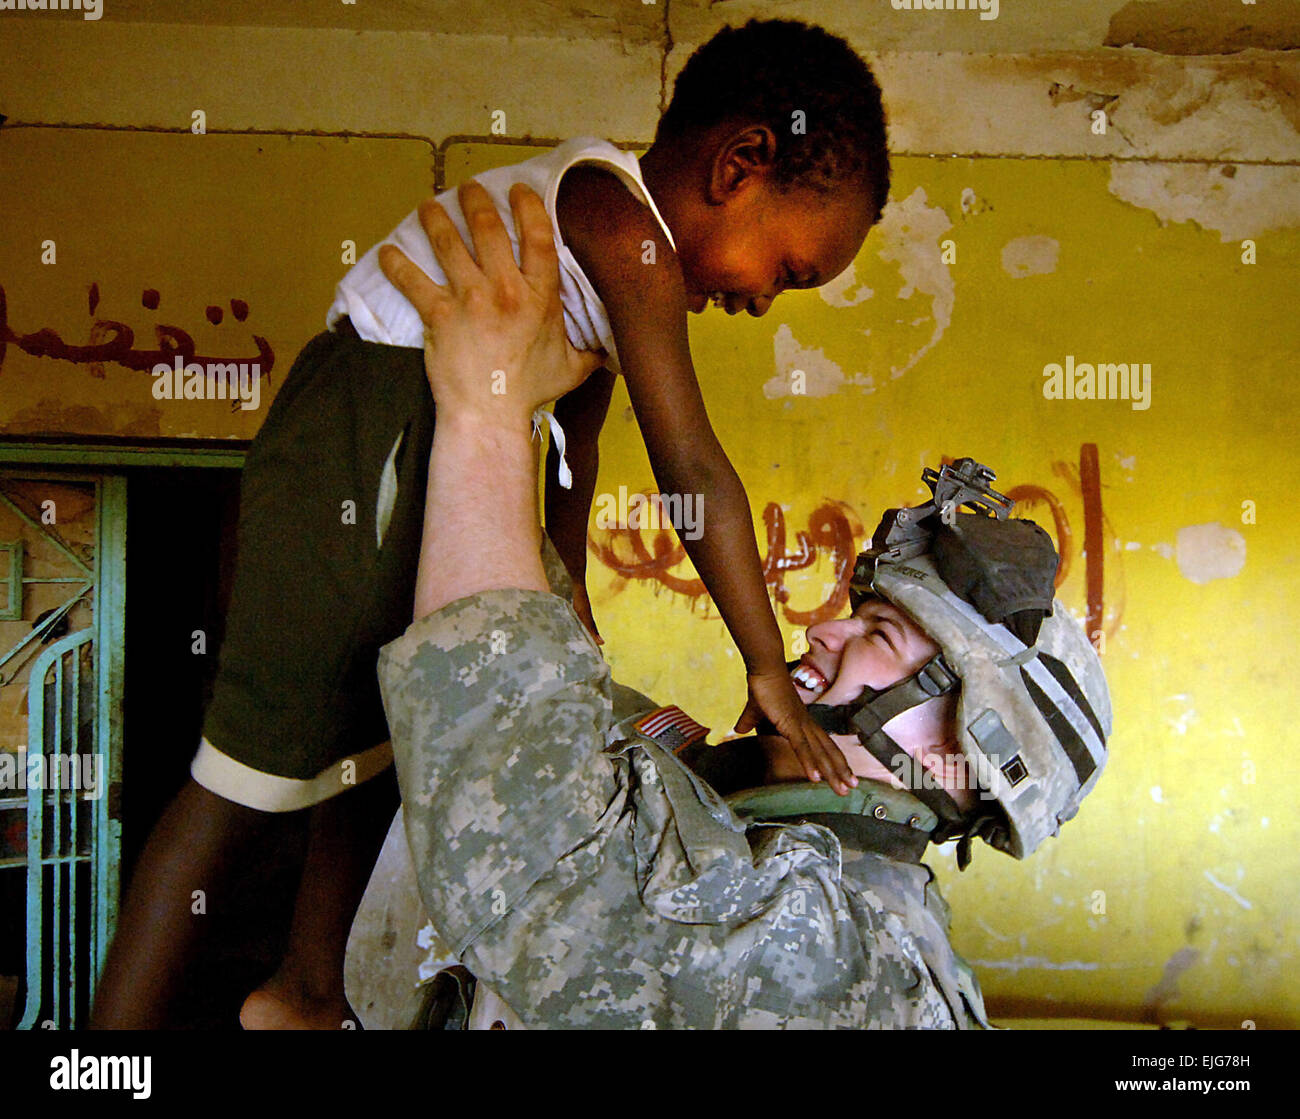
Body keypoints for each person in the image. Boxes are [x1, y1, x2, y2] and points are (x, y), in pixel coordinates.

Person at [91, 17, 887, 1030]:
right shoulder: (624, 232)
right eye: (790, 270)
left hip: (422, 429)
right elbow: (691, 466)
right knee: (239, 782)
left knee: (392, 733)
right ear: (740, 165)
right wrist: (766, 672)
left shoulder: (602, 264)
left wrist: (570, 609)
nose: (767, 300)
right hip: (369, 424)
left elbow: (576, 448)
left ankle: (302, 993)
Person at [349, 174, 1112, 1029]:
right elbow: (550, 699)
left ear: (960, 757)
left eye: (881, 633)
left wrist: (483, 412)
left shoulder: (848, 963)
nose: (823, 630)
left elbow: (527, 823)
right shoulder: (737, 812)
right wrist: (518, 410)